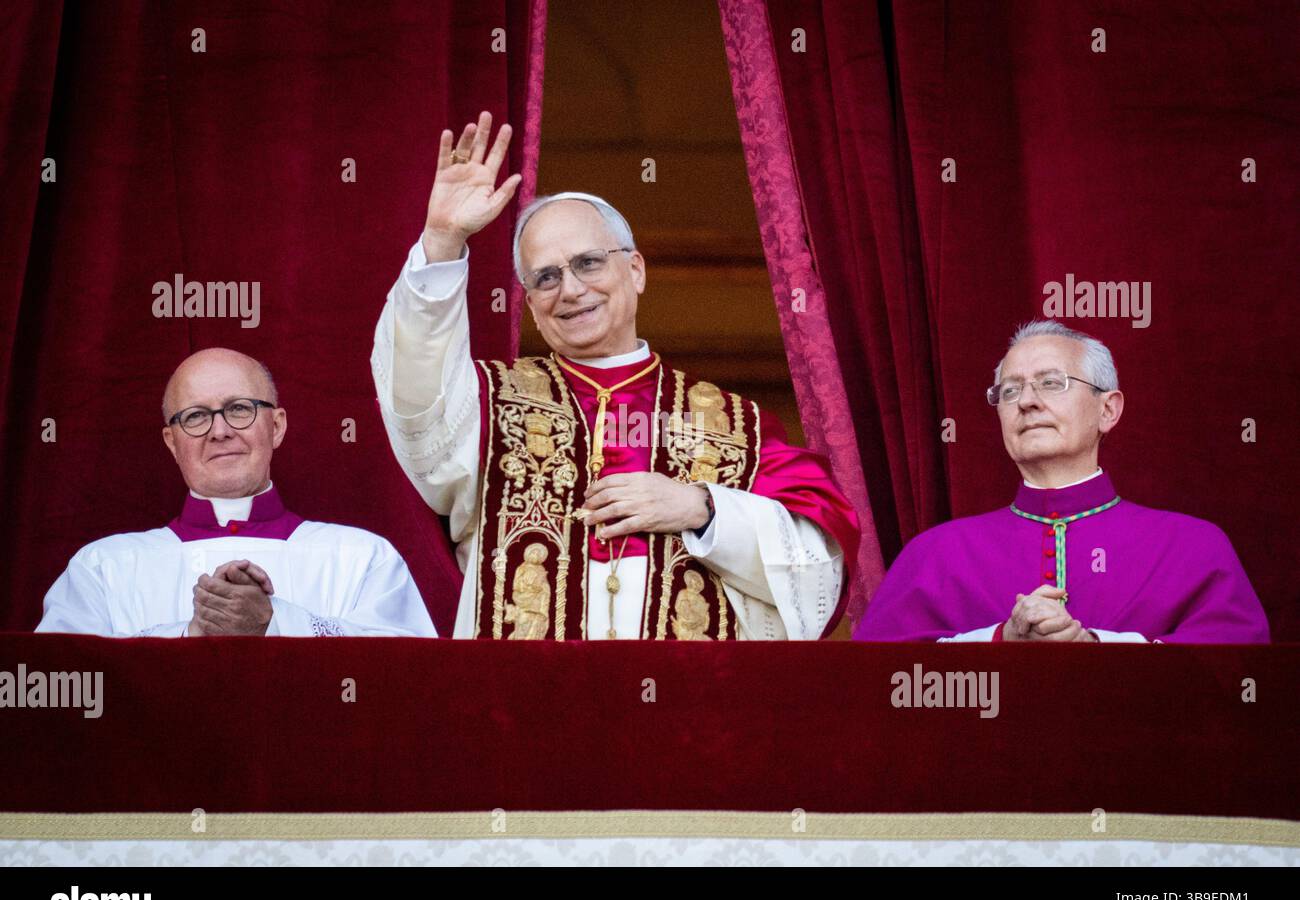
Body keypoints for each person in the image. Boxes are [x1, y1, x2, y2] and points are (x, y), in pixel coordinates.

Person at [372, 111, 860, 640]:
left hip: (689, 709)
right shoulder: (487, 403)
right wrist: (442, 242)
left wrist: (702, 507)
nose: (572, 289)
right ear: (531, 304)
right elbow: (416, 396)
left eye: (588, 263)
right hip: (520, 708)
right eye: (547, 277)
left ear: (636, 270)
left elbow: (820, 565)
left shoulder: (732, 423)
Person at [853, 320, 1268, 643]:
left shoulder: (1193, 547)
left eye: (1052, 383)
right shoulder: (934, 554)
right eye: (1010, 390)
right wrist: (1002, 639)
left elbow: (1234, 674)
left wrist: (1094, 643)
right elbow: (879, 681)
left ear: (1108, 409)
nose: (1029, 401)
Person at [37, 348, 436, 637]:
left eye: (240, 408)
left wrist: (276, 621)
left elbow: (402, 679)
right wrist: (192, 633)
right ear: (171, 443)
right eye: (195, 416)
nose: (220, 430)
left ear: (276, 426)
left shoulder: (362, 557)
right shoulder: (102, 567)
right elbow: (69, 686)